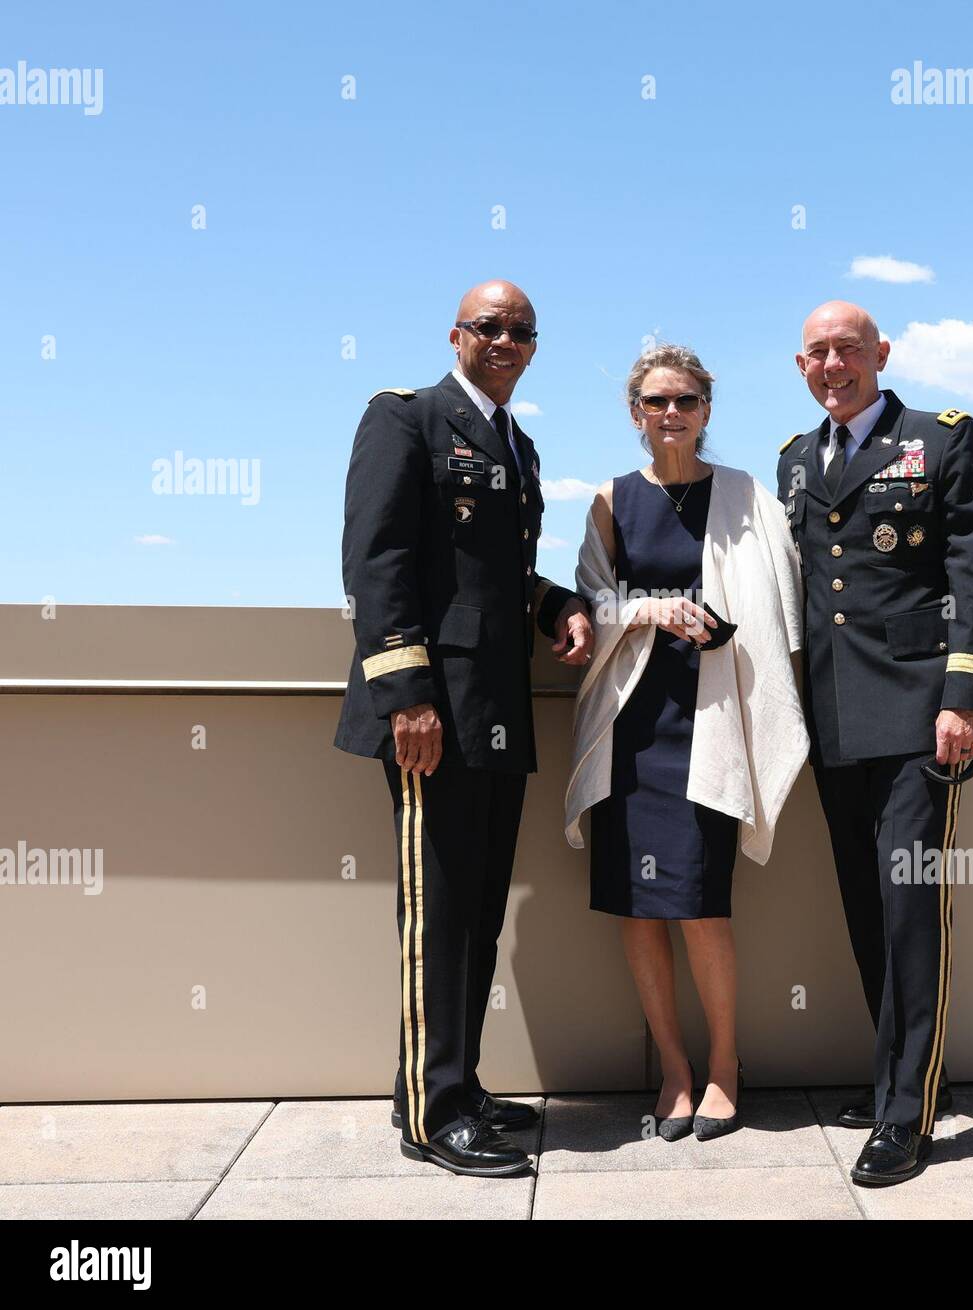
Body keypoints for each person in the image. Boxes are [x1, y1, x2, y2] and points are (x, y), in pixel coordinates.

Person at [335, 279, 593, 1177]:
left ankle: (460, 1081)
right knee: (438, 914)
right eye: (490, 327)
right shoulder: (404, 418)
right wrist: (405, 692)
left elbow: (498, 577)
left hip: (497, 714)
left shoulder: (518, 445)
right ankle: (428, 1110)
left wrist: (556, 602)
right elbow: (377, 559)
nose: (507, 341)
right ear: (456, 335)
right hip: (431, 717)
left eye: (522, 330)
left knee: (479, 913)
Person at [777, 300, 973, 1186]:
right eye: (817, 354)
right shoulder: (797, 460)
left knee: (913, 910)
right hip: (834, 719)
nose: (833, 365)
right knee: (865, 908)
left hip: (921, 719)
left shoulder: (941, 439)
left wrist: (965, 696)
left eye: (847, 350)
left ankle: (906, 1114)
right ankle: (898, 1081)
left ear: (880, 353)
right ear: (802, 367)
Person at [565, 344, 807, 1142]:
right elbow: (590, 605)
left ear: (708, 411)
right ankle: (673, 1069)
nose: (673, 414)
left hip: (709, 724)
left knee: (702, 905)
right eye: (657, 401)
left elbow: (781, 597)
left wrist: (717, 624)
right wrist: (649, 611)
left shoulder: (742, 496)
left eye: (688, 401)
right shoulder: (610, 500)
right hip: (631, 726)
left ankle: (726, 1066)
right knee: (637, 909)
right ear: (636, 414)